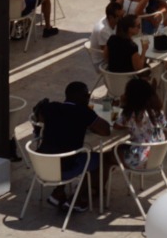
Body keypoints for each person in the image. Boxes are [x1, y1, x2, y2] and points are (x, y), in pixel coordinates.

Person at [30, 81, 110, 210]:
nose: (88, 97)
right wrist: (89, 121)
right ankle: (78, 198)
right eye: (87, 95)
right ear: (82, 97)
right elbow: (106, 131)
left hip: (43, 165)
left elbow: (38, 115)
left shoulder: (51, 108)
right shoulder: (83, 112)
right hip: (65, 168)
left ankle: (58, 193)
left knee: (63, 149)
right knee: (100, 158)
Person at [103, 75, 167, 190]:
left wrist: (119, 103)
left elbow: (115, 125)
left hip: (139, 159)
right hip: (156, 156)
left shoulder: (130, 115)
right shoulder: (157, 111)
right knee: (120, 148)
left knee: (105, 157)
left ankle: (99, 189)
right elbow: (163, 124)